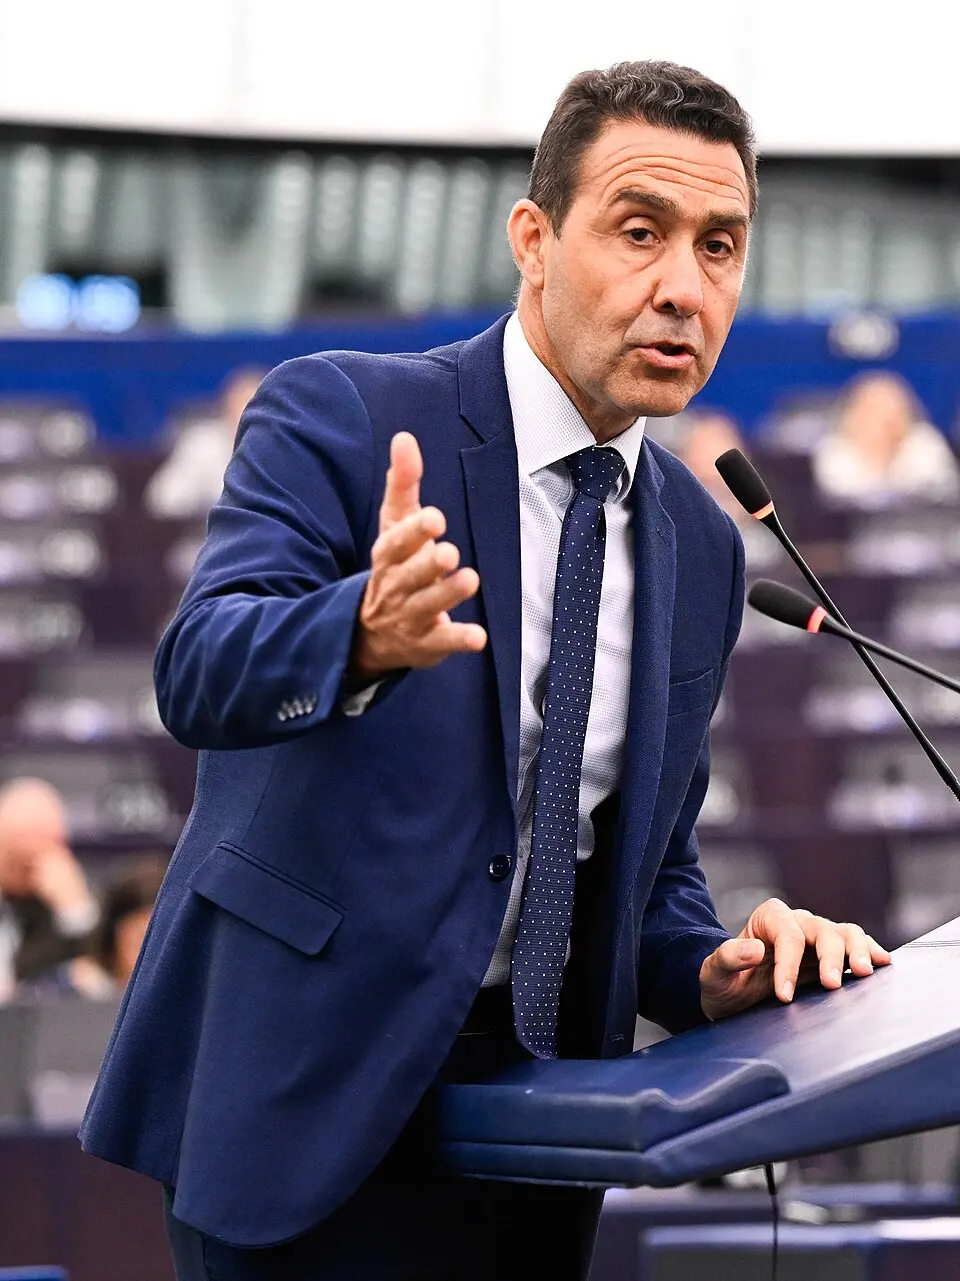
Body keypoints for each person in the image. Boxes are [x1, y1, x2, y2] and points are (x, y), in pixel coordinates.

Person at [80, 61, 890, 1281]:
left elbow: (642, 863)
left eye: (720, 246)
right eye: (639, 231)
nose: (684, 286)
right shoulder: (343, 415)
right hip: (302, 1108)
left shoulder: (703, 541)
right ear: (533, 240)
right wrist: (358, 631)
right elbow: (198, 672)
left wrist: (713, 968)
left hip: (536, 1137)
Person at [0, 777, 100, 1001]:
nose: (29, 852)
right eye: (16, 847)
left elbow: (101, 980)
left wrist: (75, 910)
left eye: (42, 846)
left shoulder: (80, 913)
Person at [22, 855, 168, 999]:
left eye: (166, 945)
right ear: (113, 940)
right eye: (141, 942)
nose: (157, 959)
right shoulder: (63, 989)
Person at [812, 370, 960, 508]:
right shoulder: (833, 449)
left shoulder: (924, 442)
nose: (883, 422)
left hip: (921, 522)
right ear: (854, 415)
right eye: (872, 411)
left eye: (892, 414)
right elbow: (836, 499)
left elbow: (945, 492)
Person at [145, 367, 266, 519]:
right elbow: (164, 500)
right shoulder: (203, 444)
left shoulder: (283, 447)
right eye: (245, 407)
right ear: (228, 409)